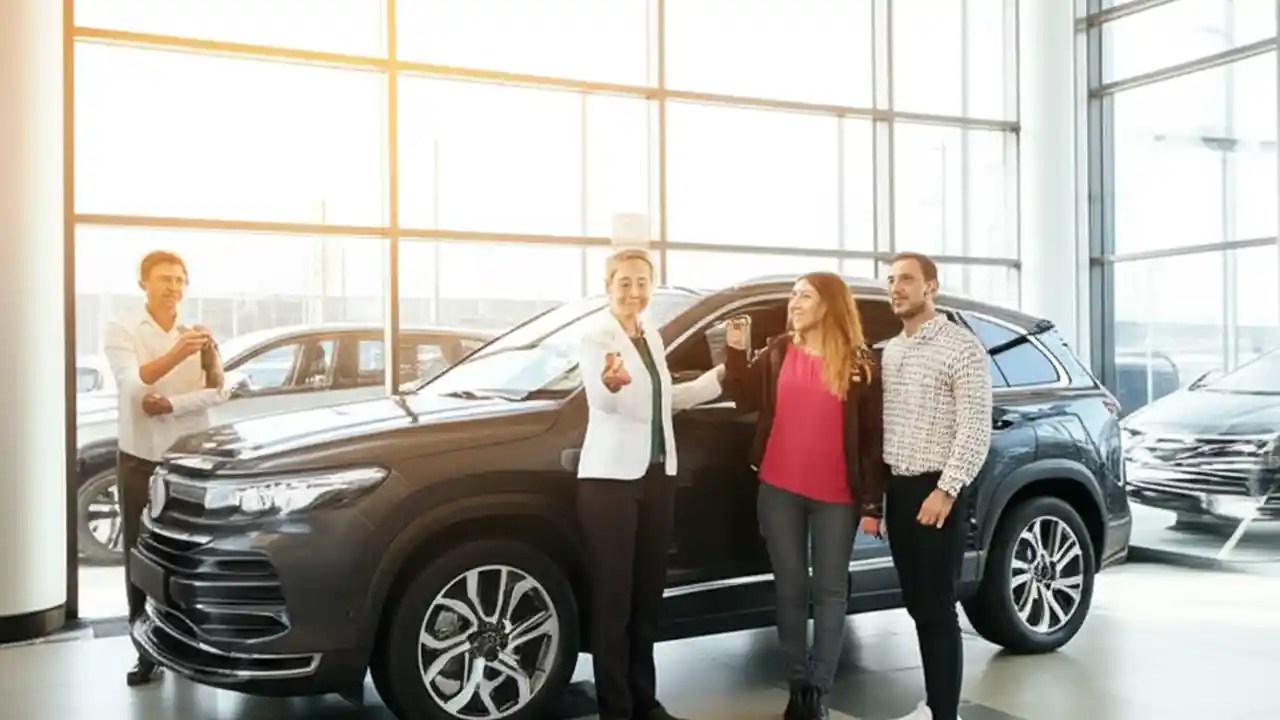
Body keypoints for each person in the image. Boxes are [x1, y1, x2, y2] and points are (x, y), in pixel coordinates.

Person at [720, 272, 886, 720]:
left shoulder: (859, 365)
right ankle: (798, 689)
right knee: (791, 588)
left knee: (830, 591)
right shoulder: (777, 351)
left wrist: (872, 504)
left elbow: (871, 441)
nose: (794, 303)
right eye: (793, 295)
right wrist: (736, 351)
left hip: (837, 496)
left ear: (828, 306)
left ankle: (820, 692)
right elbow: (743, 399)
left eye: (804, 296)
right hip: (779, 490)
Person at [576, 247, 724, 720]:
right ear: (608, 285)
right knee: (614, 602)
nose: (634, 292)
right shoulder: (597, 335)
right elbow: (604, 397)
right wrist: (612, 383)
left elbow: (662, 400)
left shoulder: (653, 337)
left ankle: (646, 700)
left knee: (647, 598)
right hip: (611, 483)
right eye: (624, 283)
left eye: (642, 282)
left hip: (657, 478)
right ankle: (615, 707)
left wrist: (714, 381)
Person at [103, 250, 230, 686]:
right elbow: (136, 386)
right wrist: (178, 353)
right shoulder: (122, 328)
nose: (173, 287)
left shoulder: (194, 332)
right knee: (140, 557)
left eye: (179, 280)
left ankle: (194, 645)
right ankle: (146, 651)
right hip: (140, 459)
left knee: (193, 556)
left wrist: (200, 365)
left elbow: (219, 389)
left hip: (191, 462)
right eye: (164, 279)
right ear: (143, 283)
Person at [881, 252, 992, 720]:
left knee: (938, 605)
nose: (896, 287)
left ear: (931, 287)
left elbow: (974, 428)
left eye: (906, 279)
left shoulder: (961, 347)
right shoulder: (891, 350)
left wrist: (946, 490)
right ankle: (935, 705)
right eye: (891, 280)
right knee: (917, 604)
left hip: (936, 491)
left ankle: (946, 714)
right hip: (899, 491)